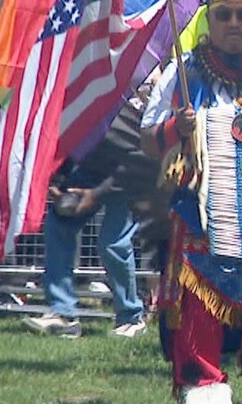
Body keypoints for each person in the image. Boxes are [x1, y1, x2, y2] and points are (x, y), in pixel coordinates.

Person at [140, 0, 242, 404]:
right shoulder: (185, 70)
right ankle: (203, 387)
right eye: (223, 16)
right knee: (198, 298)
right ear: (209, 19)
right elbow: (148, 138)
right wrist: (177, 127)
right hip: (201, 209)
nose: (234, 24)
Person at [23, 103, 150, 340]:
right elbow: (74, 142)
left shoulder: (122, 99)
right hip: (94, 166)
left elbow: (138, 157)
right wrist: (60, 179)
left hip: (131, 171)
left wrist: (96, 195)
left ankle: (132, 316)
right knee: (58, 223)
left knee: (114, 243)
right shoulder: (78, 98)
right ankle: (63, 314)